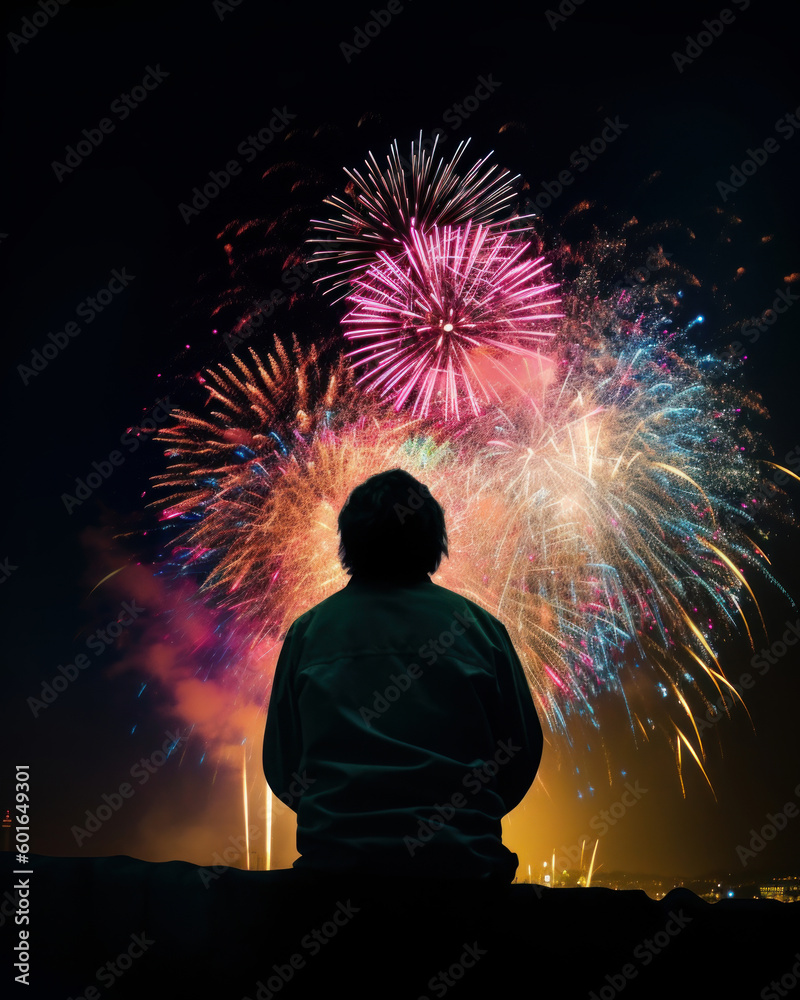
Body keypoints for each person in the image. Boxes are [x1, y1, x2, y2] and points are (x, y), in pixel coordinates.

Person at [263, 467, 543, 892]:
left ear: (348, 542)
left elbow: (282, 766)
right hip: (464, 873)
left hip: (334, 873)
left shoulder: (308, 632)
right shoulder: (481, 629)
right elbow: (520, 755)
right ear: (434, 541)